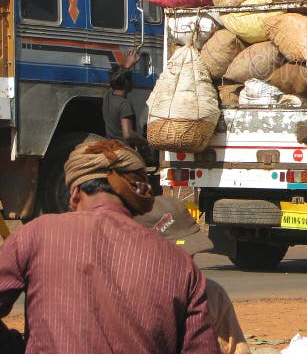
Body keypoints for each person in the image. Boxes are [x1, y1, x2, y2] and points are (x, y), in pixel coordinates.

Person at [0, 138, 219, 353]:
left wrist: (14, 346)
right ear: (135, 196)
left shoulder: (35, 235)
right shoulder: (181, 263)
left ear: (75, 193)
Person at [136, 195, 252, 354]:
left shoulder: (211, 295)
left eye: (191, 254)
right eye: (177, 256)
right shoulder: (117, 297)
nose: (188, 262)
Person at [103, 48, 148, 148]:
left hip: (112, 147)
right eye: (131, 80)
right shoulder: (124, 104)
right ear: (127, 83)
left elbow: (116, 79)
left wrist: (128, 65)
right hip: (123, 149)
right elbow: (128, 134)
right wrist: (145, 142)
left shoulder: (108, 96)